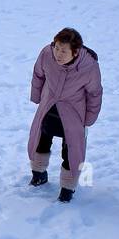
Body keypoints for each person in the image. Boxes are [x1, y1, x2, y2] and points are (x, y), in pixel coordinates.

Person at [27, 27, 103, 203]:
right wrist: (36, 96)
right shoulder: (47, 54)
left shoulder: (89, 67)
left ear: (75, 52)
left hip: (72, 114)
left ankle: (67, 189)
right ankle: (38, 174)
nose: (58, 54)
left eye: (63, 51)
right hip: (48, 107)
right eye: (57, 48)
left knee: (71, 150)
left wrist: (89, 118)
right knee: (40, 139)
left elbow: (94, 93)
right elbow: (38, 74)